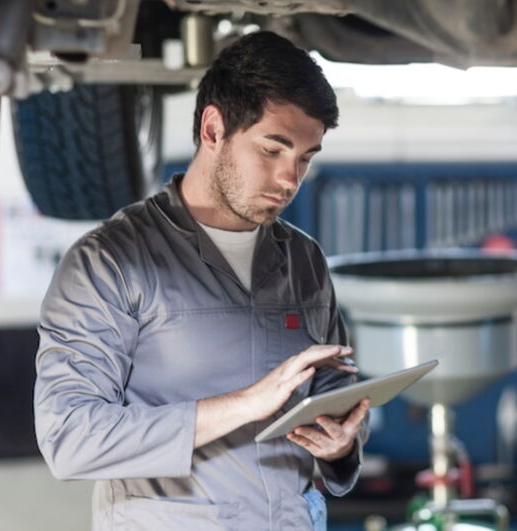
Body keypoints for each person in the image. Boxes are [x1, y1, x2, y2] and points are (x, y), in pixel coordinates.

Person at [34, 31, 369, 531]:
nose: (289, 179)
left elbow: (330, 402)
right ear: (213, 130)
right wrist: (245, 405)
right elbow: (71, 439)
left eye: (305, 157)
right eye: (273, 150)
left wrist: (343, 446)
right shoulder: (111, 261)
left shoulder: (304, 261)